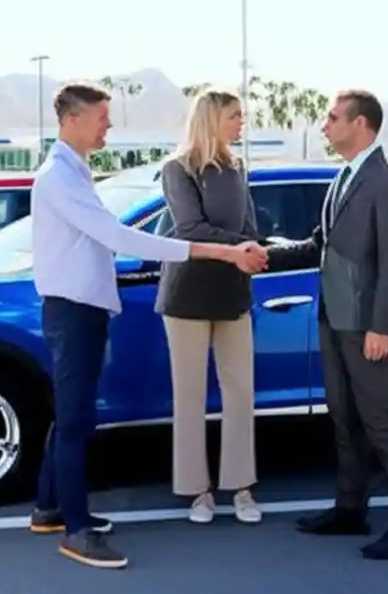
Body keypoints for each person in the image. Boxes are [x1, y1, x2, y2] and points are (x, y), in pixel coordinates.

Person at [28, 81, 267, 570]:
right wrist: (220, 251)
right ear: (72, 120)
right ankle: (76, 531)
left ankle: (50, 509)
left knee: (73, 416)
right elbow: (116, 236)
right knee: (75, 422)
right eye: (101, 119)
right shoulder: (58, 177)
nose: (108, 128)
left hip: (85, 309)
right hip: (73, 311)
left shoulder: (74, 172)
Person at [265, 89, 388, 560]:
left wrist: (382, 327)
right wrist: (260, 255)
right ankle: (350, 509)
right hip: (333, 319)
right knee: (345, 421)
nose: (325, 125)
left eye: (333, 118)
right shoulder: (342, 178)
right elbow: (319, 245)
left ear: (362, 125)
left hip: (364, 326)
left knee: (382, 424)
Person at [154, 86, 261, 525]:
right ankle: (197, 491)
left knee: (240, 393)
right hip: (187, 295)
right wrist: (243, 248)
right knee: (190, 396)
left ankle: (241, 487)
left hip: (232, 292)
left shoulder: (238, 169)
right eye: (235, 115)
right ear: (211, 118)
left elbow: (251, 227)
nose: (242, 123)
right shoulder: (177, 169)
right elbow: (189, 229)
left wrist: (256, 252)